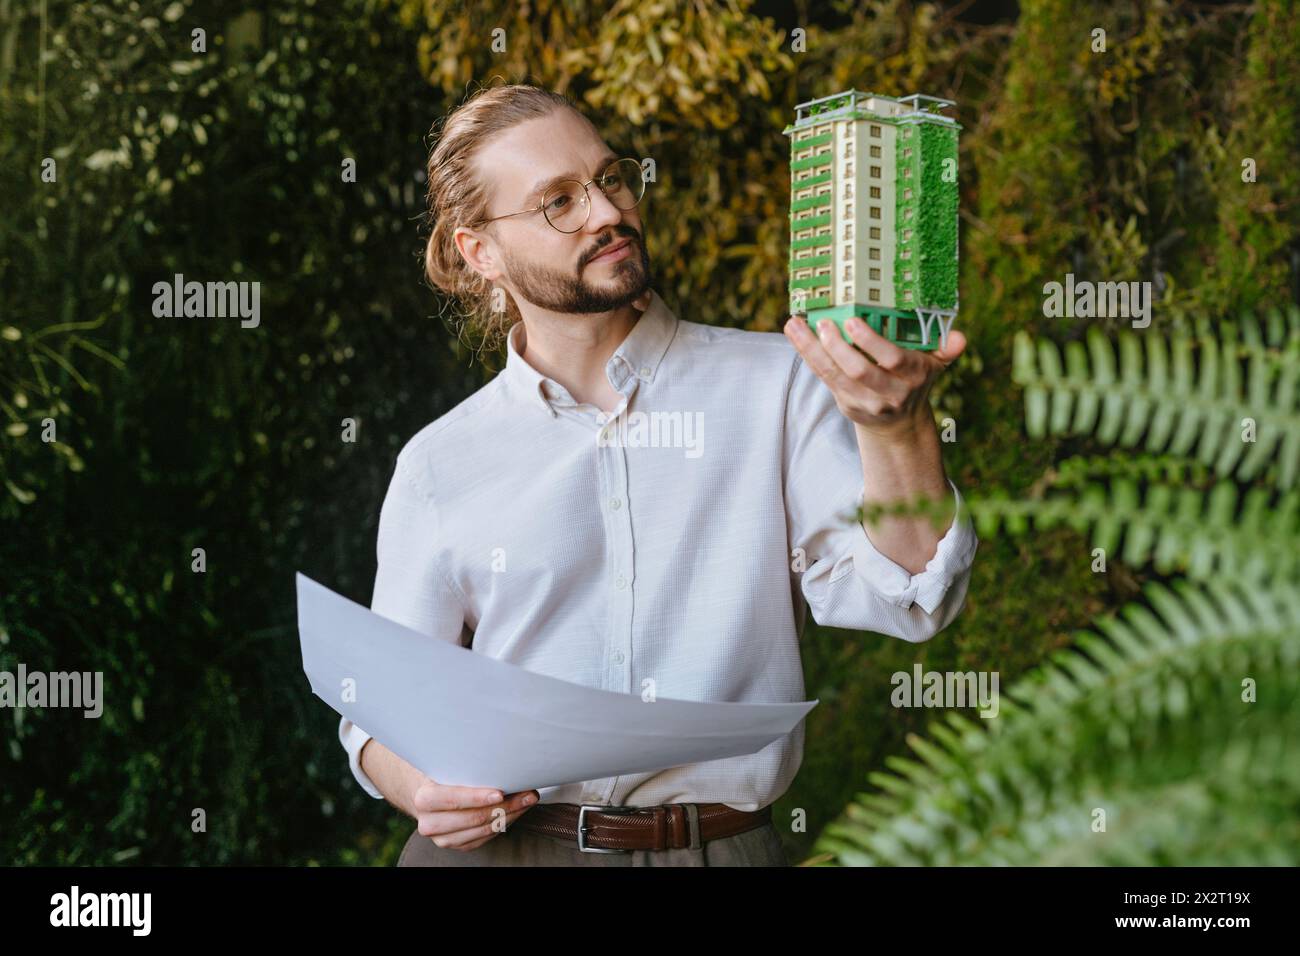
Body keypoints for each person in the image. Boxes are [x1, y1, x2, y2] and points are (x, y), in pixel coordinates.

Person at [339, 83, 978, 867]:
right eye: (558, 202)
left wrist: (897, 426)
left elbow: (911, 593)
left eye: (610, 179)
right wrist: (420, 788)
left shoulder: (777, 383)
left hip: (717, 849)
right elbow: (381, 715)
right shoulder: (440, 461)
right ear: (482, 252)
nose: (607, 212)